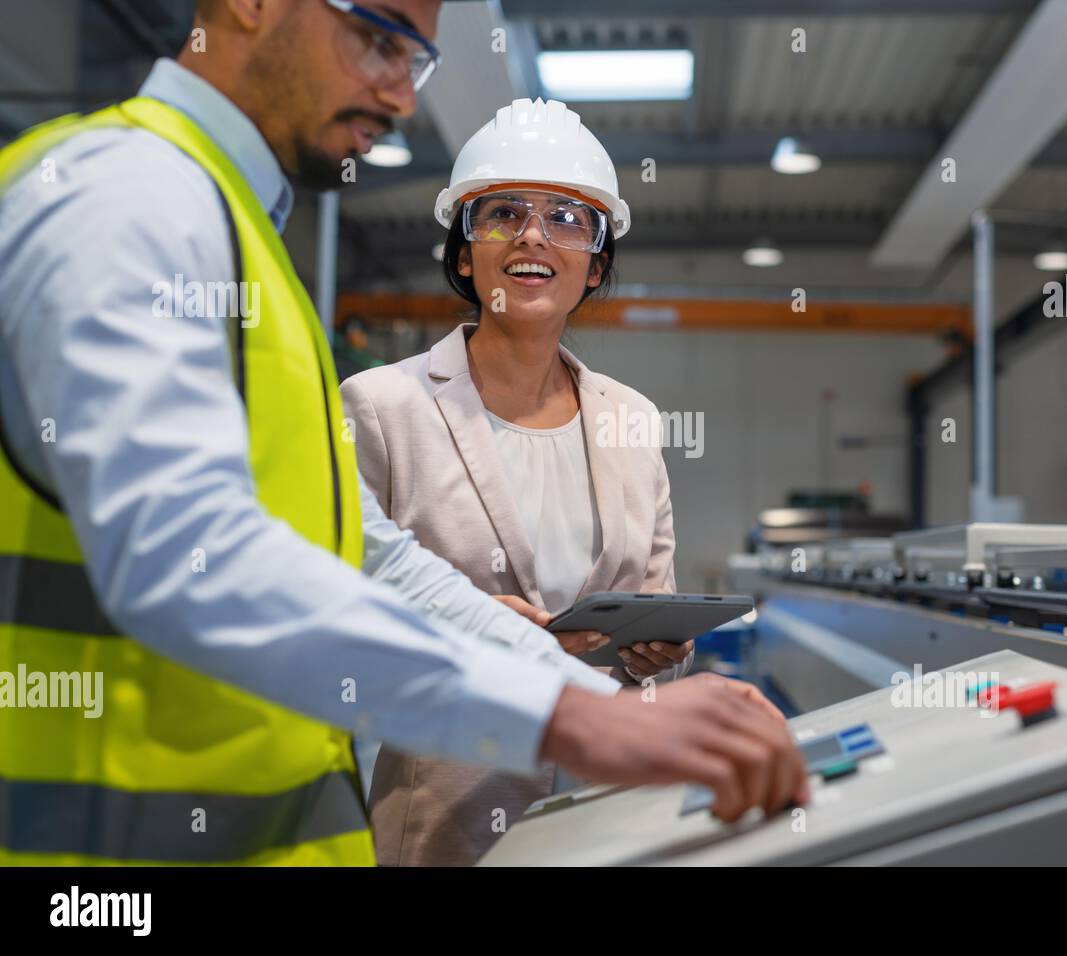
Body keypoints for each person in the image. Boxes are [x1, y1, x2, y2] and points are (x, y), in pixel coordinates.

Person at [0, 0, 806, 866]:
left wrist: (598, 703)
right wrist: (572, 717)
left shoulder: (240, 239)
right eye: (378, 35)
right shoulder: (131, 201)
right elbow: (185, 550)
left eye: (413, 56)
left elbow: (368, 556)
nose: (399, 96)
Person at [342, 97, 697, 864]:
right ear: (465, 253)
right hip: (448, 821)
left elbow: (659, 605)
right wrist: (466, 631)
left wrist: (661, 650)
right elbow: (335, 616)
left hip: (613, 808)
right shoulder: (383, 407)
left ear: (596, 263)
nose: (534, 235)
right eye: (503, 213)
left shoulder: (631, 417)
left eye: (569, 218)